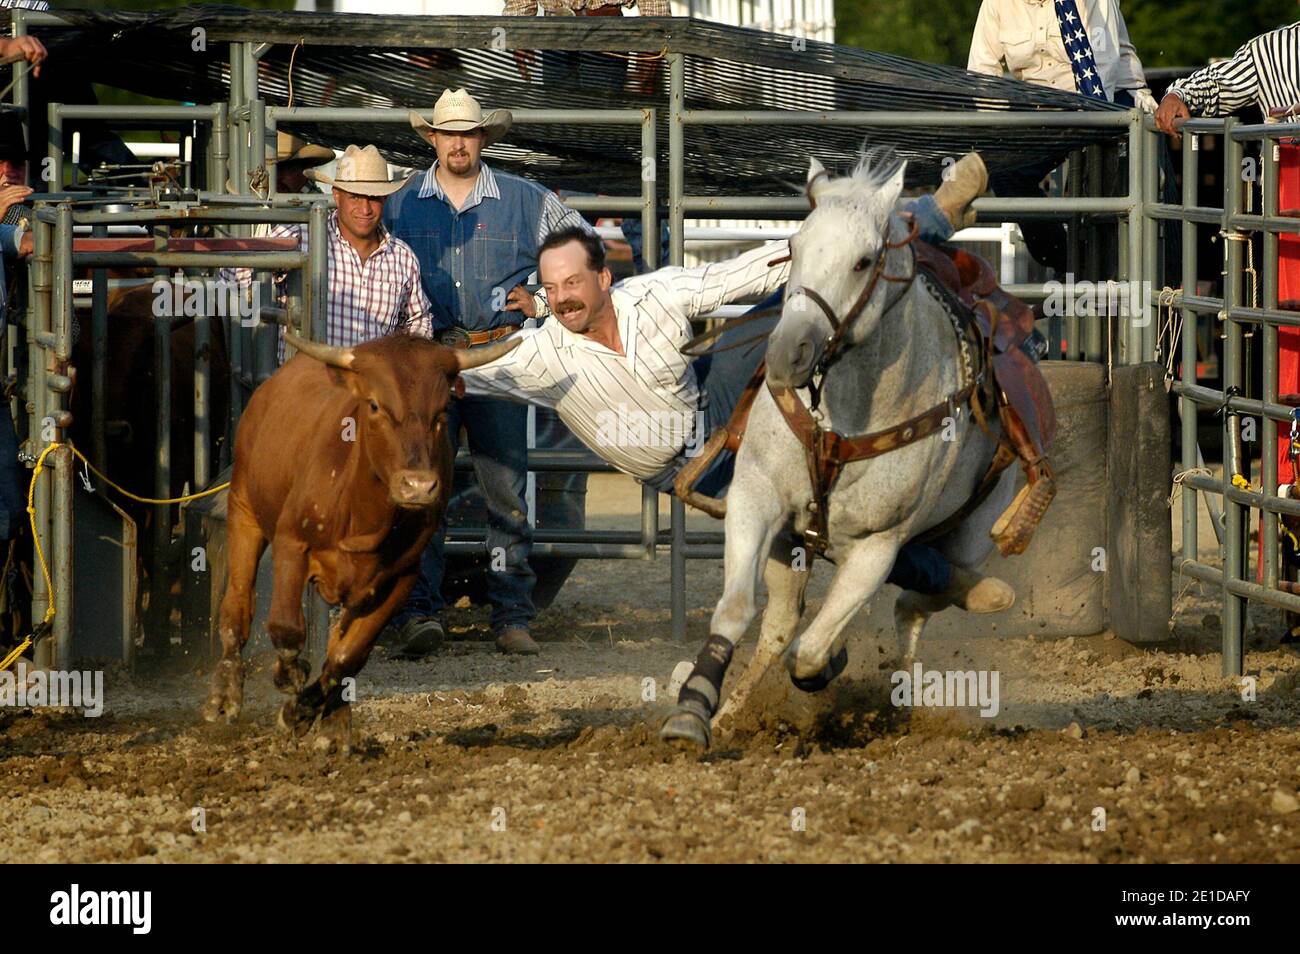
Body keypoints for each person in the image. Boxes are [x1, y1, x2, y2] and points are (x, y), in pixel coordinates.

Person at [460, 153, 1015, 618]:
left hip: (714, 394)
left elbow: (737, 275)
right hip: (697, 465)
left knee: (805, 301)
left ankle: (931, 217)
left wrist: (815, 252)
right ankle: (947, 579)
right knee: (818, 528)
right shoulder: (538, 355)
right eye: (552, 289)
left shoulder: (654, 295)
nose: (562, 298)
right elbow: (456, 370)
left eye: (573, 283)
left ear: (603, 279)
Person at [382, 88, 595, 658]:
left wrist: (546, 304)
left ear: (483, 138)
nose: (458, 142)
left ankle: (511, 615)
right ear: (432, 138)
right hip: (429, 363)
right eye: (449, 133)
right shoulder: (398, 201)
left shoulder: (525, 200)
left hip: (501, 358)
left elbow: (585, 251)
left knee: (506, 492)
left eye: (468, 133)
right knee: (423, 488)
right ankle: (419, 612)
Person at [1154, 23, 1300, 567]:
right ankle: (1287, 568)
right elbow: (1212, 83)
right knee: (1287, 392)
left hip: (1289, 243)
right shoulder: (1278, 51)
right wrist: (1179, 95)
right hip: (1289, 248)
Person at [967, 0, 1158, 272]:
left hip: (1110, 95)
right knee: (1005, 168)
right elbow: (982, 73)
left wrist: (1081, 128)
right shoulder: (997, 4)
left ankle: (1121, 265)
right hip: (1041, 106)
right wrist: (1001, 133)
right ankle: (1067, 260)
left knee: (1106, 179)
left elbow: (1102, 69)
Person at [226, 144, 431, 353]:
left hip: (370, 382)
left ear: (385, 199)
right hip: (309, 379)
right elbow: (233, 273)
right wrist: (271, 275)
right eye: (355, 196)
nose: (365, 208)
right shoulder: (299, 236)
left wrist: (401, 360)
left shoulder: (403, 257)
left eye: (374, 198)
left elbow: (419, 320)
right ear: (337, 195)